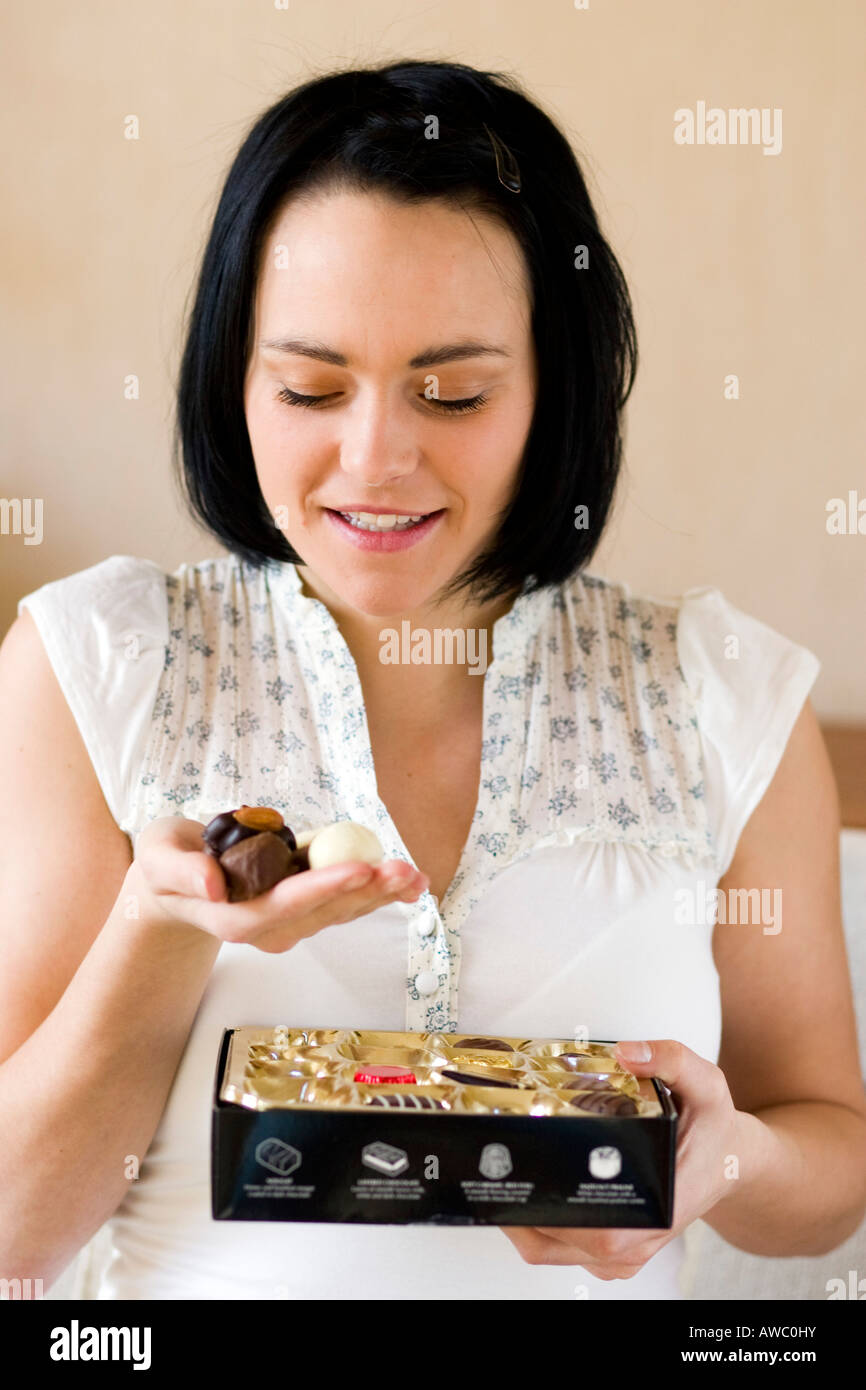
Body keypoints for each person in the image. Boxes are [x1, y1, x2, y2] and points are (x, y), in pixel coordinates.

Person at [1, 59, 864, 1302]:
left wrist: (726, 1162)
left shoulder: (718, 694)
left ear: (553, 387)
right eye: (307, 388)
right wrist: (158, 930)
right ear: (230, 379)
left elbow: (827, 1163)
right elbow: (15, 1232)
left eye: (451, 392)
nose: (374, 460)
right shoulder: (97, 666)